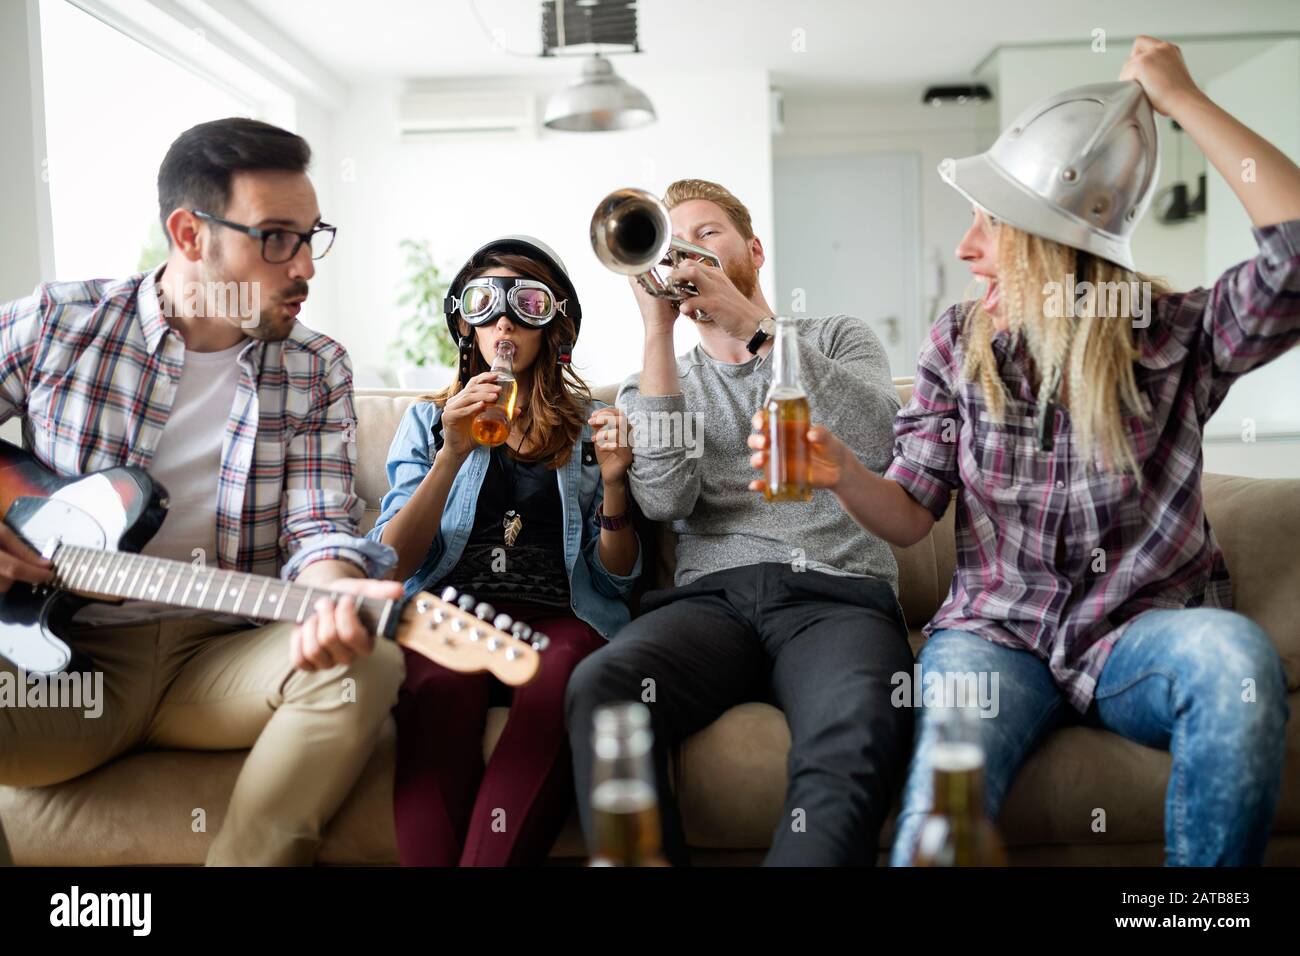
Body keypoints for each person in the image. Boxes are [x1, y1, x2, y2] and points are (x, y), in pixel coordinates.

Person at [749, 37, 1299, 866]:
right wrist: (841, 473)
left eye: (990, 225)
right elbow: (907, 519)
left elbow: (1292, 259)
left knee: (1236, 659)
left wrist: (1183, 100)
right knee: (943, 788)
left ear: (1052, 243)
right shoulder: (958, 342)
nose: (967, 249)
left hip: (1142, 635)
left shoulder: (1171, 338)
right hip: (996, 637)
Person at [0, 118, 406, 865]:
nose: (305, 266)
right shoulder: (61, 324)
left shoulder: (318, 367)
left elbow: (317, 523)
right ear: (190, 234)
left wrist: (334, 598)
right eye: (277, 237)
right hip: (58, 662)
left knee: (366, 660)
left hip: (217, 660)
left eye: (313, 237)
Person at [566, 179, 911, 866]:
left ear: (753, 249)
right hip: (711, 602)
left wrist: (753, 328)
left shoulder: (835, 338)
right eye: (672, 240)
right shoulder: (655, 380)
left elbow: (879, 437)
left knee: (858, 725)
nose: (686, 249)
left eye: (707, 232)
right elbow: (664, 501)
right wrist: (657, 334)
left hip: (835, 596)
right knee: (600, 685)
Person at [371, 236, 641, 865]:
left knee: (560, 682)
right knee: (437, 688)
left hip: (562, 618)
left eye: (525, 306)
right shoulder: (428, 422)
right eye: (485, 306)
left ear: (553, 327)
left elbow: (620, 580)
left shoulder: (593, 425)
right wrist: (452, 453)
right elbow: (392, 562)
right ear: (465, 325)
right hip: (450, 614)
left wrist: (615, 481)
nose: (504, 322)